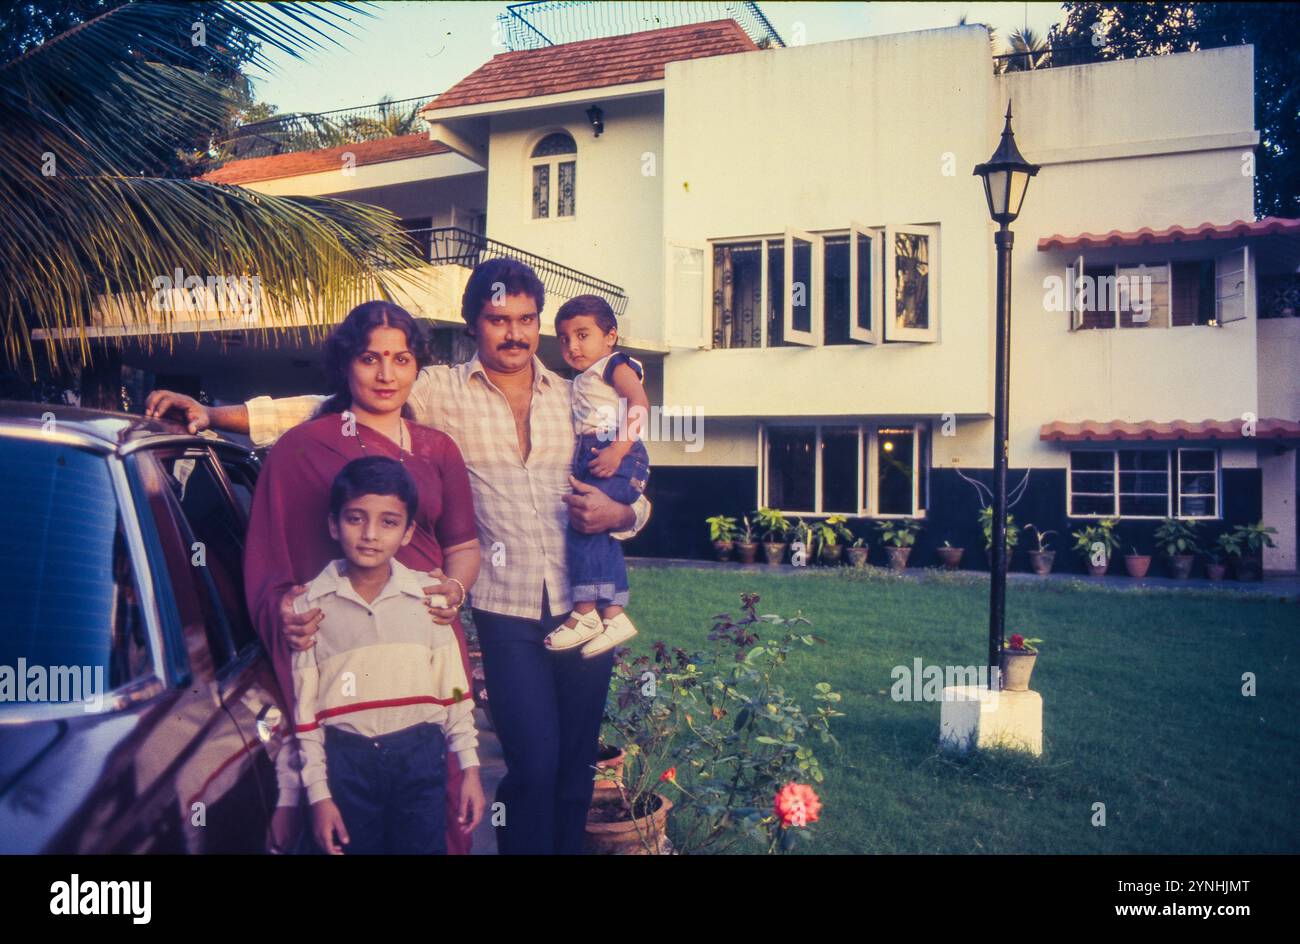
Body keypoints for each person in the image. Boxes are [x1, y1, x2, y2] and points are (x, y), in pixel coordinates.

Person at [145, 259, 650, 855]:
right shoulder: (436, 391)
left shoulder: (578, 393)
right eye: (497, 320)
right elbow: (325, 407)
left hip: (585, 604)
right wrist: (213, 415)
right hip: (504, 606)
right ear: (471, 325)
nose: (513, 333)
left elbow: (635, 491)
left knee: (576, 771)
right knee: (534, 766)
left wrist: (620, 517)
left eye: (525, 320)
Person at [236, 300, 484, 854]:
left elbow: (463, 546)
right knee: (349, 817)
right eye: (371, 358)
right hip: (339, 648)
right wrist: (284, 612)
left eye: (400, 359)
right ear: (347, 364)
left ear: (417, 366)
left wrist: (454, 589)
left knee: (435, 806)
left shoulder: (437, 448)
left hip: (422, 639)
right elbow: (270, 563)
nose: (386, 374)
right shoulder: (301, 449)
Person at [295, 456, 483, 855]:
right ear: (333, 524)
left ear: (408, 532)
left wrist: (469, 768)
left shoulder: (429, 597)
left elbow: (453, 690)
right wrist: (318, 796)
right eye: (355, 518)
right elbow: (305, 712)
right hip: (346, 762)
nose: (370, 534)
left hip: (420, 758)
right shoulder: (309, 605)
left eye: (388, 522)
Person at [543, 295, 649, 658]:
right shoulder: (582, 377)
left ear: (611, 336)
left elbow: (640, 404)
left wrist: (618, 449)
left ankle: (586, 613)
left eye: (582, 335)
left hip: (616, 450)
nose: (572, 345)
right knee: (598, 529)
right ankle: (615, 615)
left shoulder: (615, 365)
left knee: (584, 523)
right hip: (593, 450)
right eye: (564, 338)